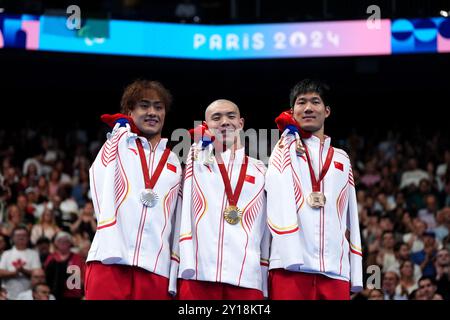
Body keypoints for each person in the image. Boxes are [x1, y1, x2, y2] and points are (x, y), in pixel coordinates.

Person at [265, 79, 362, 300]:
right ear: (292, 111)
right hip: (290, 267)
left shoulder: (341, 158)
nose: (308, 108)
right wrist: (288, 137)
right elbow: (276, 193)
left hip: (335, 269)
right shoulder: (283, 149)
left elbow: (351, 216)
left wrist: (354, 270)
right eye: (301, 102)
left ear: (327, 111)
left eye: (315, 102)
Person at [85, 80, 182, 300]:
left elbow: (178, 219)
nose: (152, 112)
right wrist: (119, 134)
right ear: (130, 111)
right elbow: (99, 176)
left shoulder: (174, 162)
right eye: (144, 106)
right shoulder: (119, 146)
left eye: (158, 107)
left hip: (155, 269)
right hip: (109, 261)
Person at [169, 99, 269, 300]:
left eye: (231, 116)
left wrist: (264, 276)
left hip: (247, 278)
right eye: (216, 118)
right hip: (197, 275)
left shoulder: (261, 170)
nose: (224, 122)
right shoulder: (194, 164)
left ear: (241, 124)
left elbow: (267, 228)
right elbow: (180, 216)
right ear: (205, 126)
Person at [0, 226, 41, 299]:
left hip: (28, 295)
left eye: (24, 235)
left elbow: (38, 274)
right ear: (12, 238)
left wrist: (23, 270)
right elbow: (1, 272)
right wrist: (14, 273)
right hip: (8, 294)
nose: (21, 237)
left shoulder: (34, 254)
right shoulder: (6, 253)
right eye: (18, 235)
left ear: (28, 238)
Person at [45, 231, 85, 300]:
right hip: (54, 295)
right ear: (56, 243)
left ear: (70, 243)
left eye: (66, 241)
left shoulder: (78, 258)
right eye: (60, 241)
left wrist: (74, 278)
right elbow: (46, 276)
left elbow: (84, 279)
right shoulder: (51, 258)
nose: (63, 243)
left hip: (73, 295)